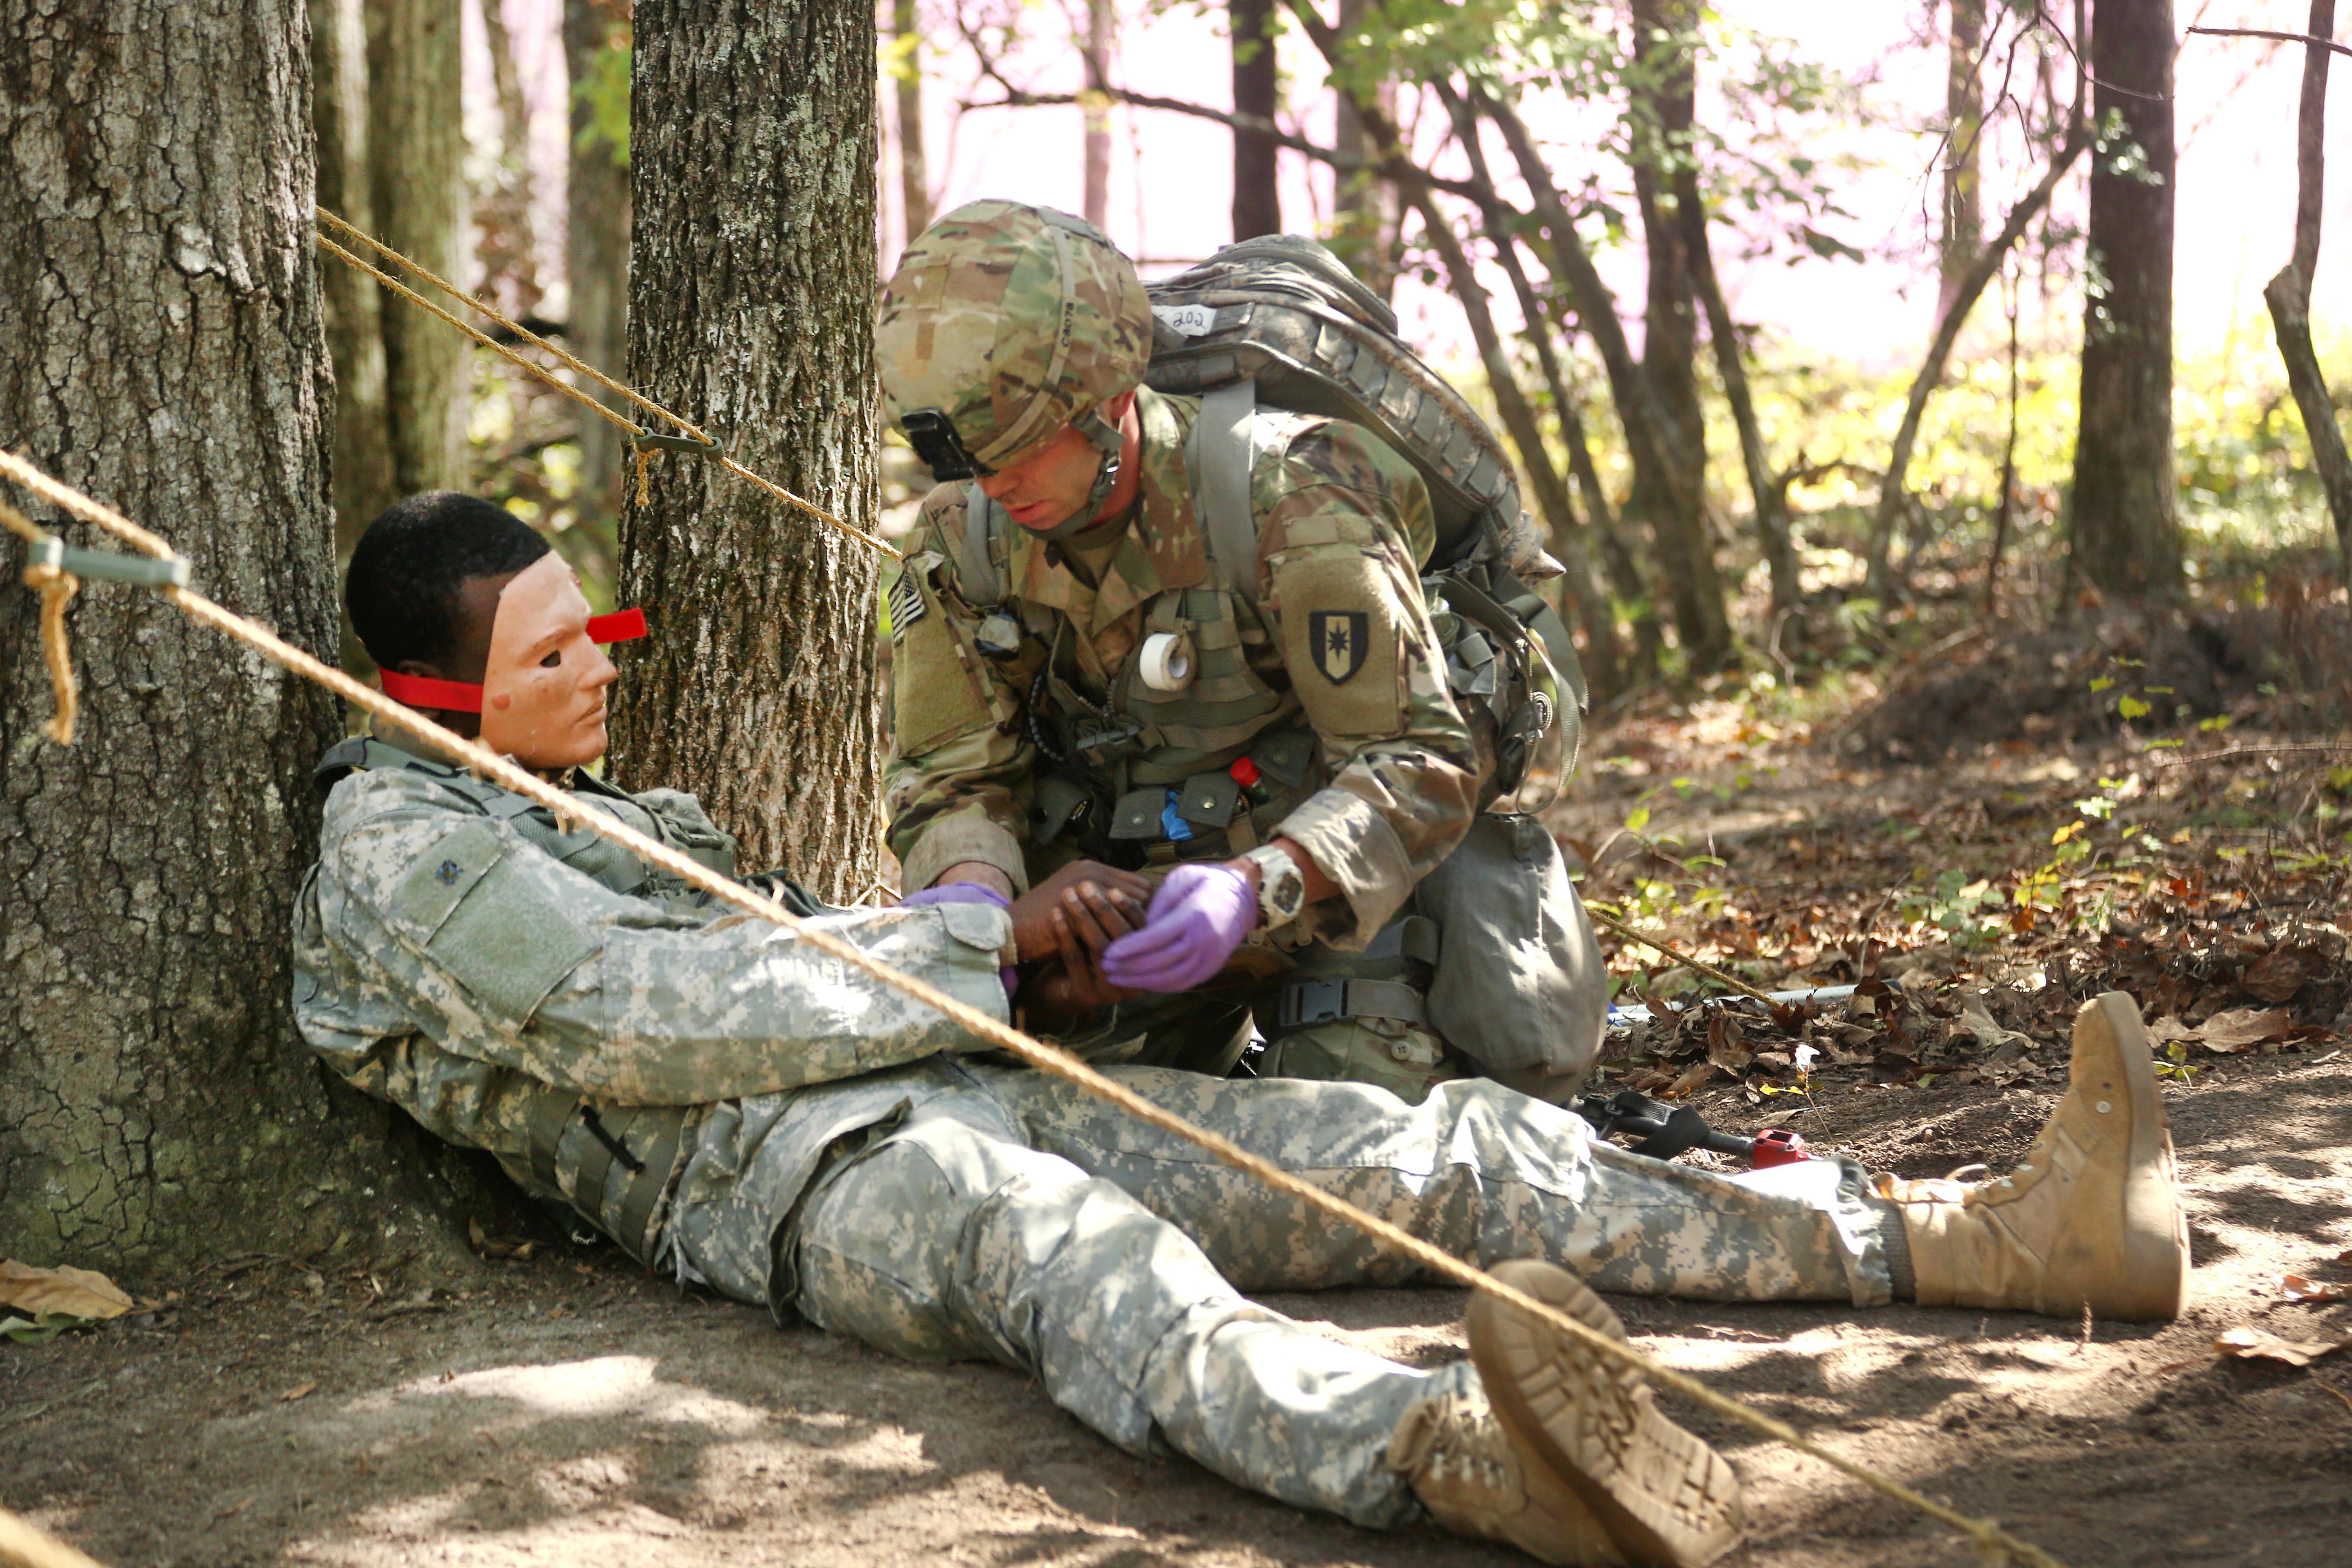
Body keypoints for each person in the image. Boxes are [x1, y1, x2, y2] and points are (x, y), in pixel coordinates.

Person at [295, 493, 2193, 1568]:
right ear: (440, 694)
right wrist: (977, 948)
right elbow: (646, 1024)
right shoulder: (399, 845)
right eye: (553, 656)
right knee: (1085, 1260)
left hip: (935, 1064)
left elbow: (773, 952)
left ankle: (1980, 1239)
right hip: (790, 1174)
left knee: (1412, 1151)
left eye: (591, 631)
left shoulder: (589, 804)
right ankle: (1457, 1453)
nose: (598, 670)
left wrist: (1013, 966)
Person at [872, 200, 1603, 1104]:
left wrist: (1256, 888)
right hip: (1133, 931)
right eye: (972, 460)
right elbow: (951, 770)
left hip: (1336, 898)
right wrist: (978, 903)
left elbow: (1419, 759)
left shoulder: (1295, 497)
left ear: (1106, 403)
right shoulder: (963, 539)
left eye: (1020, 450)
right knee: (1021, 1129)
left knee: (1347, 1163)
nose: (995, 483)